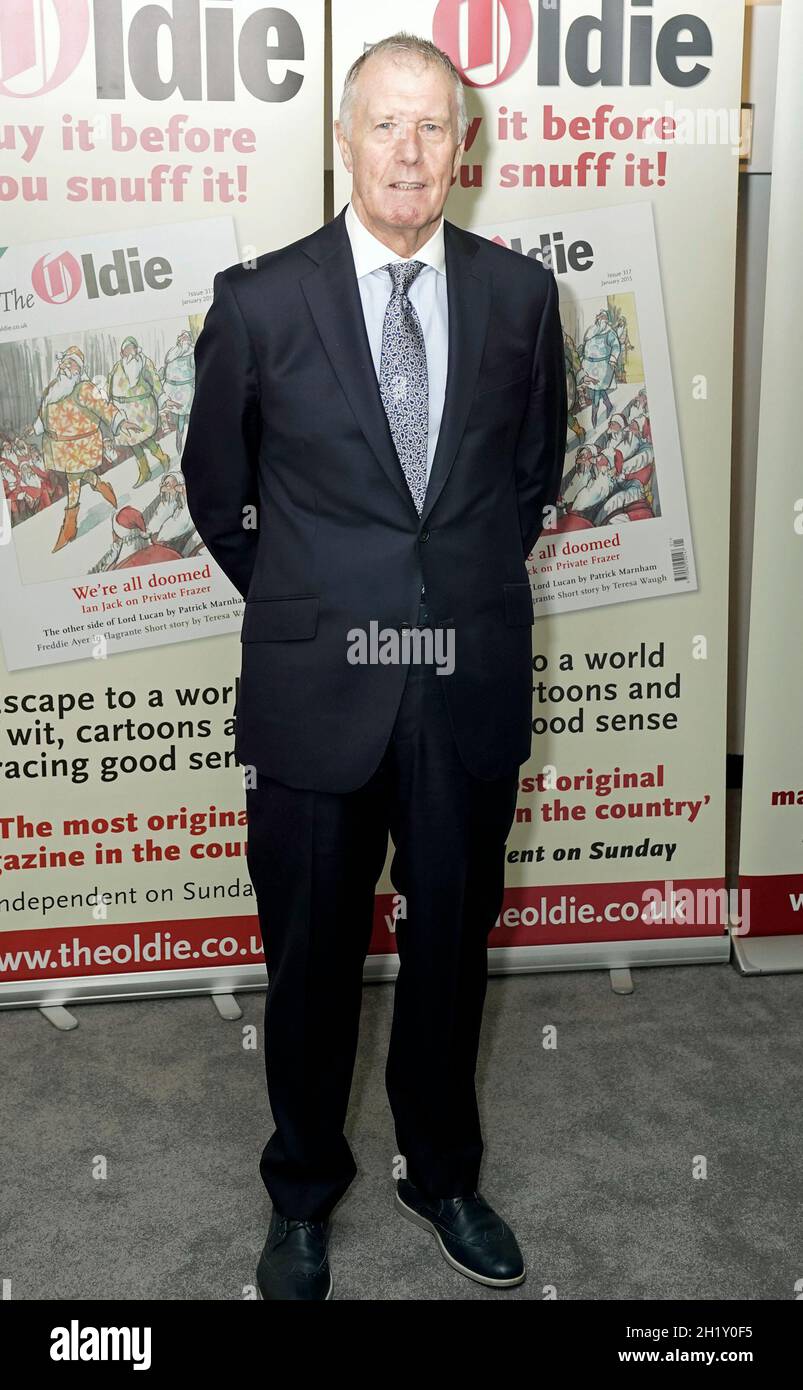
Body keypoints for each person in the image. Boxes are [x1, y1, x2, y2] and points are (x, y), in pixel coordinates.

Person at [182, 31, 567, 1301]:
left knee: (452, 943)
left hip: (465, 678)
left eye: (431, 126)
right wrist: (319, 603)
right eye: (385, 124)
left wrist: (435, 594)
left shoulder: (520, 297)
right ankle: (301, 1191)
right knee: (309, 958)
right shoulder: (258, 301)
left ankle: (440, 1173)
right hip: (316, 687)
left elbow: (527, 479)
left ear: (463, 148)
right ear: (342, 140)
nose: (408, 151)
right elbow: (219, 492)